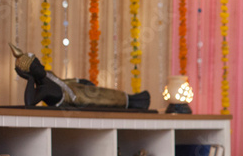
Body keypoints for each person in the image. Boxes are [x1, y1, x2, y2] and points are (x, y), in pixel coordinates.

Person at [9, 43, 150, 110]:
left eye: (39, 63)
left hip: (78, 88)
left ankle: (134, 99)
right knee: (106, 100)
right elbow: (29, 104)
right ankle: (133, 103)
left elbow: (62, 82)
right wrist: (29, 79)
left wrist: (79, 81)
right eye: (36, 67)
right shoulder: (43, 89)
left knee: (107, 93)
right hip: (79, 100)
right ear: (31, 72)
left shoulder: (49, 75)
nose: (41, 67)